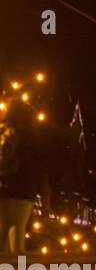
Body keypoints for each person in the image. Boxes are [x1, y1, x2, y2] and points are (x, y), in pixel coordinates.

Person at [0, 100, 39, 254]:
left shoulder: (2, 130)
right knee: (18, 231)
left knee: (2, 229)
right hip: (23, 188)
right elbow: (35, 163)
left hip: (2, 185)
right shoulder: (29, 134)